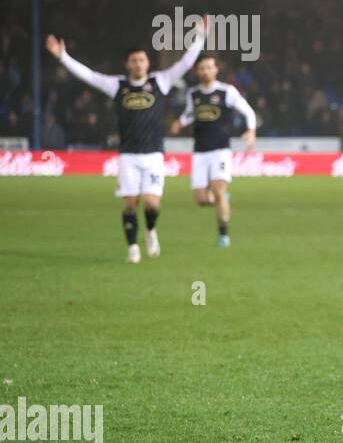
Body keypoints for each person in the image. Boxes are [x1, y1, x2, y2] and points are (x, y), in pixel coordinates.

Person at [45, 17, 209, 263]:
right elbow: (89, 75)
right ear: (127, 64)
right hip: (129, 155)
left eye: (142, 60)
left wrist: (200, 36)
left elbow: (186, 62)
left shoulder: (159, 82)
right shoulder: (117, 86)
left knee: (152, 205)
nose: (138, 64)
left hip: (153, 154)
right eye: (134, 61)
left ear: (147, 62)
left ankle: (150, 231)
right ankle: (133, 247)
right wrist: (63, 57)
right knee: (130, 204)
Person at [169, 53, 257, 247]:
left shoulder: (227, 92)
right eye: (202, 68)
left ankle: (223, 235)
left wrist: (250, 131)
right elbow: (190, 114)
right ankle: (221, 198)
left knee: (217, 189)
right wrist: (179, 123)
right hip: (200, 150)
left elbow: (248, 111)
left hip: (220, 150)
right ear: (197, 71)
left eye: (209, 67)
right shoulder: (194, 94)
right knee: (201, 200)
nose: (206, 71)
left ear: (216, 69)